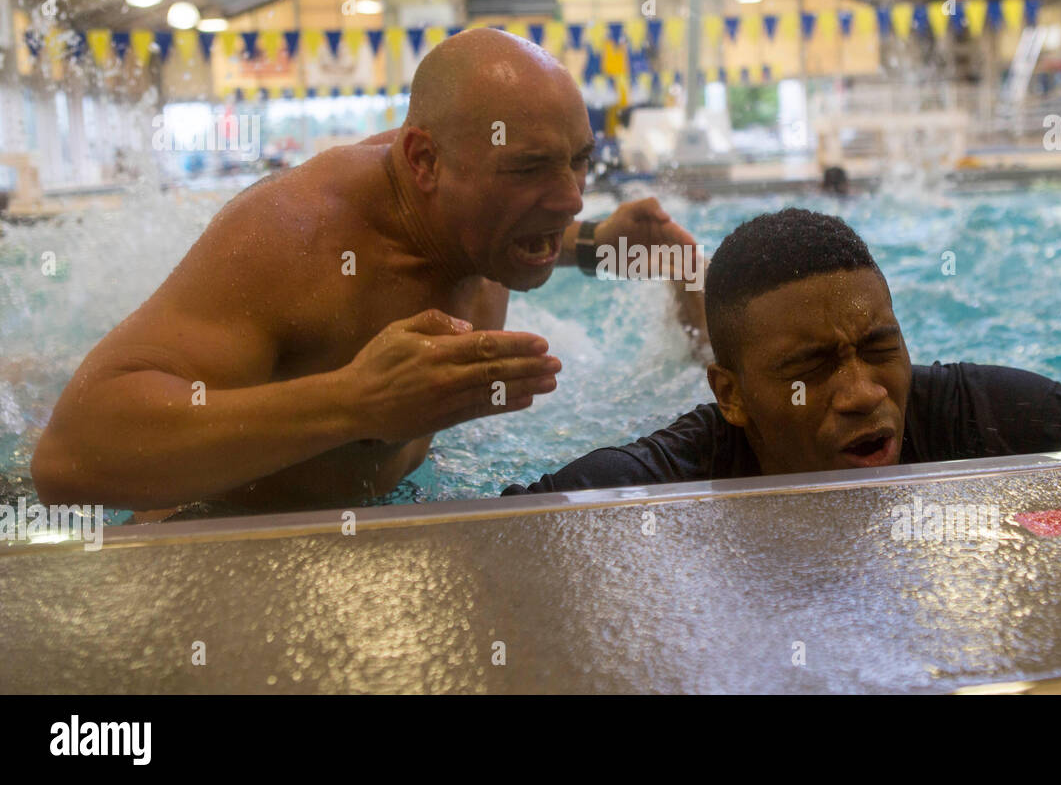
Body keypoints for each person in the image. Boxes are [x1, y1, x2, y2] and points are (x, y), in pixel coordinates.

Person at [32, 29, 704, 514]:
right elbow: (67, 462)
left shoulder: (483, 213)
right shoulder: (297, 237)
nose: (569, 197)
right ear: (425, 163)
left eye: (579, 161)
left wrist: (594, 244)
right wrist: (354, 402)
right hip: (221, 536)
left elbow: (510, 226)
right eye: (528, 168)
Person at [504, 209, 1061, 494]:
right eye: (811, 369)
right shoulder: (670, 472)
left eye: (878, 349)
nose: (863, 393)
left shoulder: (966, 410)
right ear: (729, 395)